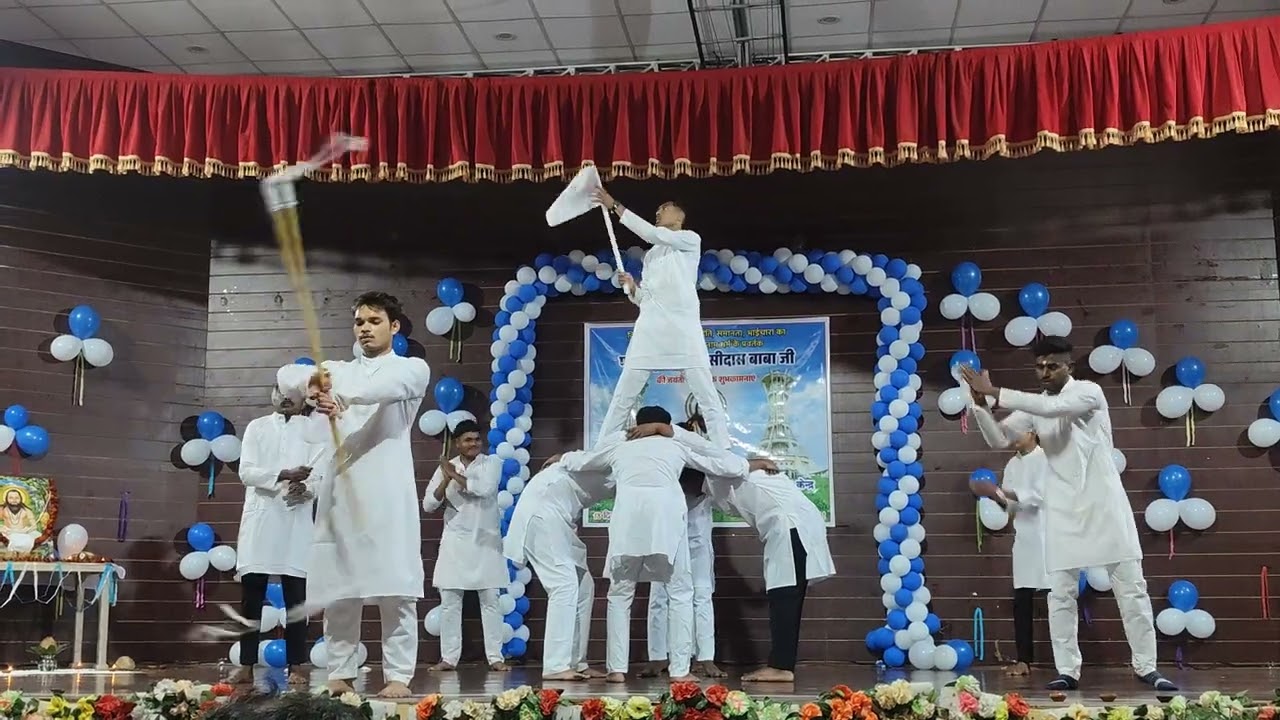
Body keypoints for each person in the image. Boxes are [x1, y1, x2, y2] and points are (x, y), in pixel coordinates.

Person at [960, 337, 1176, 692]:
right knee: (1060, 593)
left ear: (1069, 367)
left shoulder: (1088, 393)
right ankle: (1068, 670)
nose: (1044, 373)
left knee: (1132, 588)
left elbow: (1055, 410)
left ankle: (1147, 667)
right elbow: (999, 439)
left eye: (1052, 366)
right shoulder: (1034, 407)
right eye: (1039, 367)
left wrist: (996, 391)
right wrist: (981, 406)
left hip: (1104, 503)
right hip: (1061, 509)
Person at [278, 291, 430, 698]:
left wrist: (338, 392)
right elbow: (285, 376)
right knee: (340, 590)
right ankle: (340, 673)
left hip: (387, 491)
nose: (365, 328)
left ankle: (398, 675)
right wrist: (312, 386)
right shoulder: (338, 369)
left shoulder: (412, 368)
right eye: (360, 321)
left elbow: (386, 386)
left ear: (394, 327)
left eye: (374, 321)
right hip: (340, 490)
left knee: (395, 589)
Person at [559, 406, 771, 683]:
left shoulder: (619, 449)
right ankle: (680, 671)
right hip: (666, 526)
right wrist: (750, 464)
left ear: (638, 425)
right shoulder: (676, 447)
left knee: (619, 595)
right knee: (681, 593)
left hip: (627, 526)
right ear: (666, 426)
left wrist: (561, 458)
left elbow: (583, 461)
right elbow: (721, 465)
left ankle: (617, 670)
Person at [590, 186, 729, 449]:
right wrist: (633, 288)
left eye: (663, 209)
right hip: (651, 328)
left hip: (682, 328)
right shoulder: (652, 254)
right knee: (625, 392)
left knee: (705, 392)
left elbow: (652, 233)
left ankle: (723, 449)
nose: (657, 213)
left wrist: (613, 204)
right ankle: (602, 446)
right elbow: (648, 299)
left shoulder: (690, 239)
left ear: (679, 217)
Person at [228, 373, 327, 685]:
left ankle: (297, 664)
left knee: (296, 598)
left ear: (302, 398)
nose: (285, 398)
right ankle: (246, 663)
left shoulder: (313, 431)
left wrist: (307, 489)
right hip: (261, 520)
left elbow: (321, 473)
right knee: (251, 598)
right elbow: (247, 472)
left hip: (295, 520)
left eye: (292, 393)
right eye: (279, 391)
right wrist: (285, 474)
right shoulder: (257, 427)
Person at [503, 453, 611, 680]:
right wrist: (564, 457)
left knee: (583, 586)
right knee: (564, 584)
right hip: (544, 509)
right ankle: (555, 665)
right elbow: (582, 456)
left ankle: (576, 662)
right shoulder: (616, 451)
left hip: (561, 516)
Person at [422, 420, 509, 672]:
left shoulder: (491, 464)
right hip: (455, 542)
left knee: (491, 599)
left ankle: (495, 657)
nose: (474, 444)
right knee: (450, 601)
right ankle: (449, 658)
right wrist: (445, 478)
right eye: (468, 440)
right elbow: (429, 504)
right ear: (458, 443)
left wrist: (453, 474)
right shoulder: (446, 468)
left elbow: (483, 489)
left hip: (486, 542)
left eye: (477, 439)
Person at [642, 417, 721, 679]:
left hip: (696, 538)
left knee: (701, 593)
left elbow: (703, 485)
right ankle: (657, 656)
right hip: (664, 536)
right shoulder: (656, 460)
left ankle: (706, 656)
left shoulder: (701, 457)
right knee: (659, 596)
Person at [971, 430, 1050, 676]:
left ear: (1033, 433)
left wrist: (997, 492)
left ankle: (1067, 664)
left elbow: (1040, 498)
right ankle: (1024, 660)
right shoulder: (1012, 464)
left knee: (1059, 601)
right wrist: (994, 495)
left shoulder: (1048, 459)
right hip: (1026, 539)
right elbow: (1013, 506)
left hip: (1052, 538)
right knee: (1022, 600)